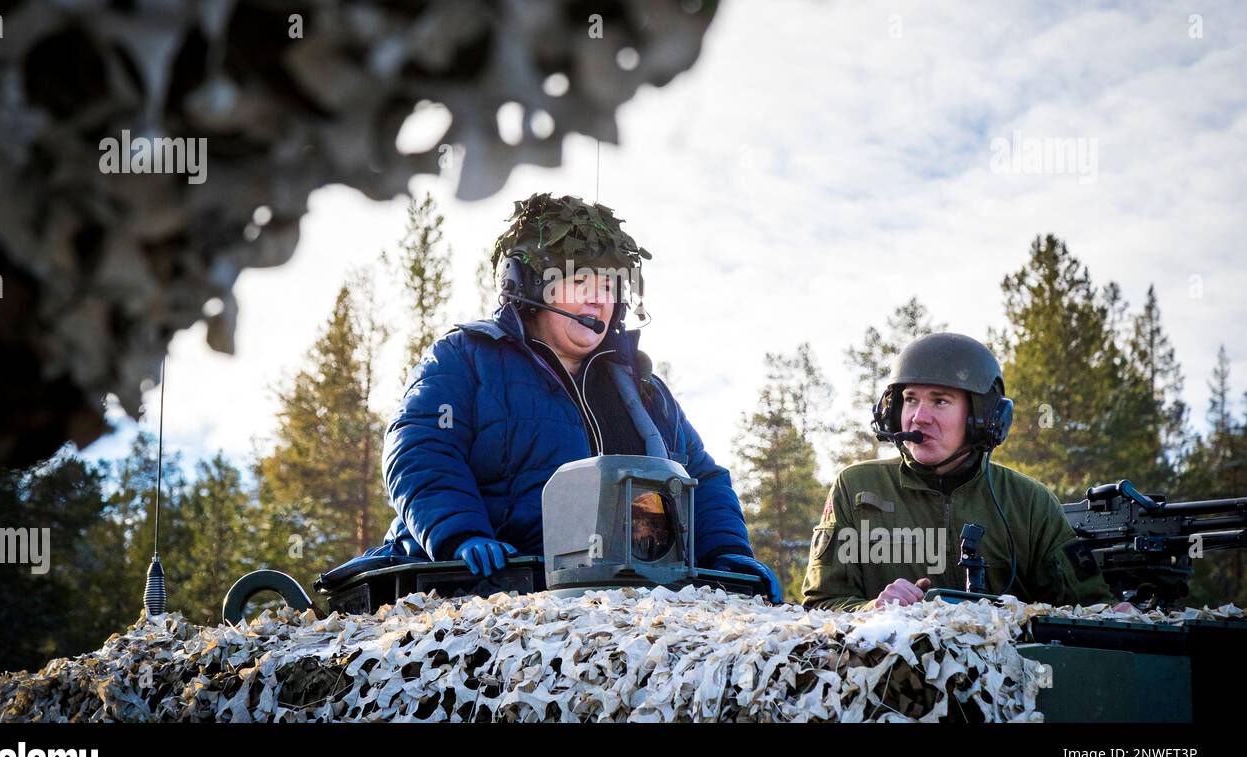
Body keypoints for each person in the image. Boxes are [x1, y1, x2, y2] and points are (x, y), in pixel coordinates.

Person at [368, 193, 782, 602]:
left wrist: (728, 554)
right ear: (528, 284)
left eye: (608, 286)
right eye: (579, 281)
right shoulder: (467, 357)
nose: (597, 300)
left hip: (627, 600)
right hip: (487, 588)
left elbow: (702, 478)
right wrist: (460, 534)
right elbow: (422, 446)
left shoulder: (645, 392)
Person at [801, 332, 1125, 612]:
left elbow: (1090, 607)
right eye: (910, 400)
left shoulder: (1029, 503)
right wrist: (874, 610)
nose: (918, 417)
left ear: (982, 418)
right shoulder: (856, 489)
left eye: (940, 401)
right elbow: (820, 606)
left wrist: (1117, 613)